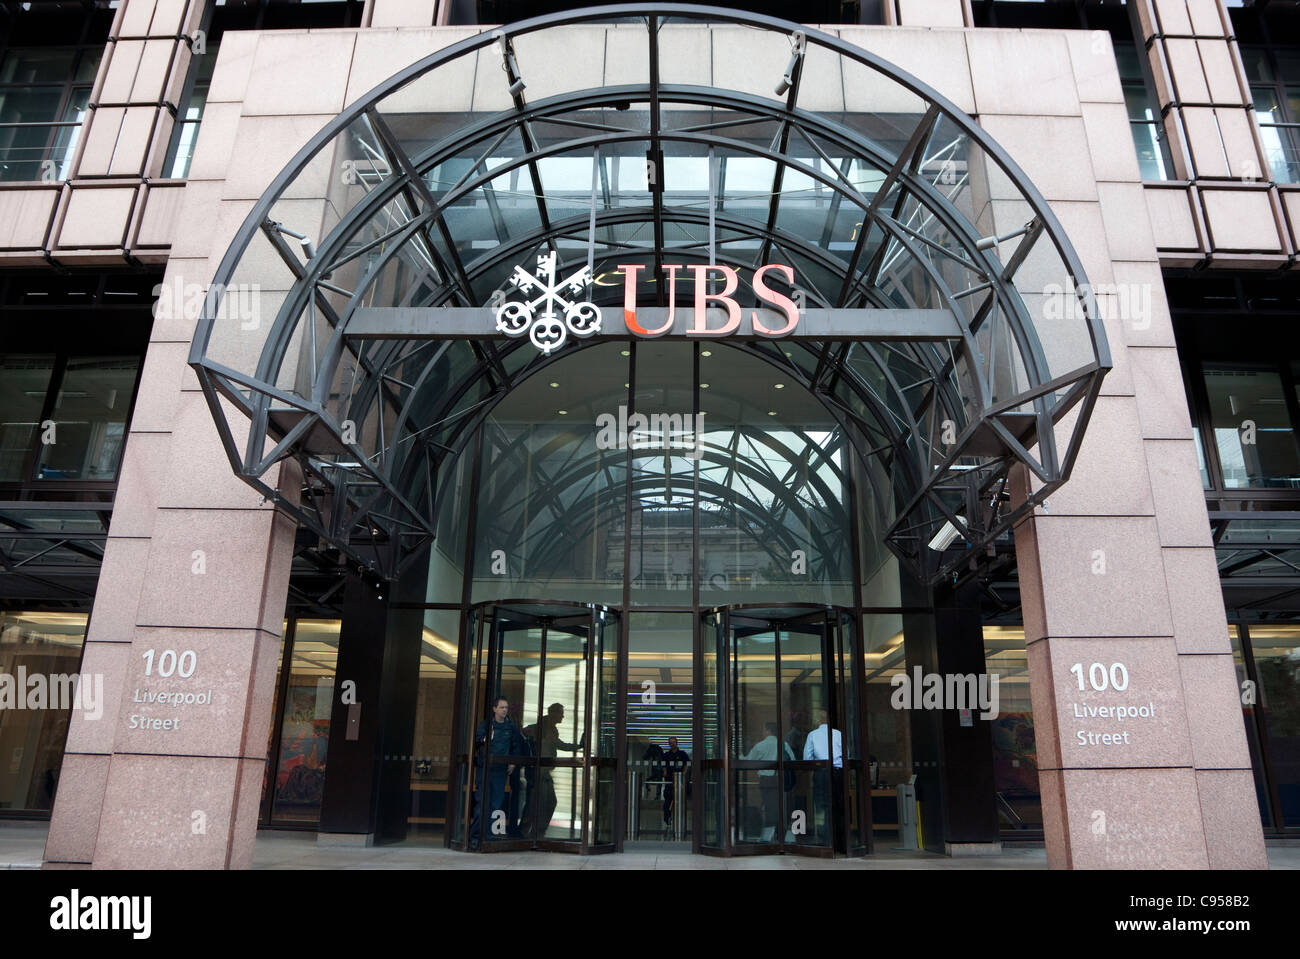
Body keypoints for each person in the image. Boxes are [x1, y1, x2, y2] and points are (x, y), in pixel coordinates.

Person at [469, 695, 529, 849]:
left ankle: (489, 835)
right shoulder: (486, 725)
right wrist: (485, 739)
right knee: (482, 802)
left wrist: (513, 762)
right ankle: (476, 836)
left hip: (500, 771)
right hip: (486, 769)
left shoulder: (510, 727)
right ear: (494, 709)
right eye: (502, 707)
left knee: (496, 803)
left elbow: (517, 746)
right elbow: (476, 742)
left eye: (506, 708)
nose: (504, 710)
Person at [520, 702, 582, 839]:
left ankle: (532, 831)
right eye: (561, 713)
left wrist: (577, 746)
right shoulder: (544, 727)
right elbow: (558, 744)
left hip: (542, 771)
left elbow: (558, 744)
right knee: (540, 802)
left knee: (541, 802)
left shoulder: (548, 727)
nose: (563, 716)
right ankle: (531, 831)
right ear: (553, 713)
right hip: (540, 772)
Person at [742, 721, 795, 842]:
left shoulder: (760, 746)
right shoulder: (784, 744)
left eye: (763, 730)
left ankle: (767, 836)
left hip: (766, 780)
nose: (762, 732)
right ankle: (780, 833)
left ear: (767, 730)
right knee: (780, 806)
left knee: (769, 808)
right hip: (780, 780)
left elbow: (748, 761)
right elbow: (792, 760)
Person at [803, 707, 844, 846]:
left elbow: (807, 758)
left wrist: (811, 773)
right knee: (837, 804)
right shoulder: (838, 734)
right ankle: (838, 838)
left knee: (822, 804)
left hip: (821, 773)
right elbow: (846, 755)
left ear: (819, 720)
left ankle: (826, 837)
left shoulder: (812, 735)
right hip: (837, 772)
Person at [660, 736, 690, 837]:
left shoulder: (682, 754)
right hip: (669, 782)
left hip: (680, 782)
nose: (672, 744)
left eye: (673, 742)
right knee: (668, 800)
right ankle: (667, 818)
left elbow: (687, 765)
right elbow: (663, 766)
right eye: (670, 742)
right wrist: (664, 772)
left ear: (677, 743)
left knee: (679, 801)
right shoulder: (666, 755)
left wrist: (683, 775)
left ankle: (680, 821)